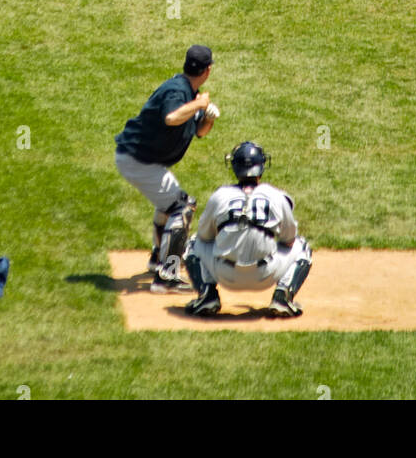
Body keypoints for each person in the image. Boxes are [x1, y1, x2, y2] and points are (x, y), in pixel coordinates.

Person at [115, 46, 219, 292]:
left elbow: (200, 132)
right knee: (182, 207)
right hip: (137, 160)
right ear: (208, 70)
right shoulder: (178, 91)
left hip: (143, 160)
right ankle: (166, 276)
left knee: (170, 204)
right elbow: (171, 118)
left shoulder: (190, 93)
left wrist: (208, 118)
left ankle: (157, 259)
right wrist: (199, 105)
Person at [183, 142, 313, 318]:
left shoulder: (220, 195)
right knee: (302, 246)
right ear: (261, 166)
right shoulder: (275, 195)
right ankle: (283, 296)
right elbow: (289, 239)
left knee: (192, 243)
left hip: (225, 275)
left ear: (235, 167)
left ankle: (207, 295)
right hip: (265, 274)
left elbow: (204, 237)